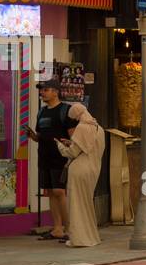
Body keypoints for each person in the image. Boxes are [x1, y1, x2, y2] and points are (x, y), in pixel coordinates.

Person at [25, 78, 75, 241]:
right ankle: (57, 229)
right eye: (41, 90)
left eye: (45, 90)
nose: (42, 93)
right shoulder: (41, 112)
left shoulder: (66, 110)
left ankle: (70, 229)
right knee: (51, 193)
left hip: (60, 157)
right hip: (44, 156)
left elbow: (73, 135)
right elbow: (41, 135)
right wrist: (34, 137)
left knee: (60, 192)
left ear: (55, 91)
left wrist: (72, 149)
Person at [55, 103, 104, 248]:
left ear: (76, 116)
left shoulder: (82, 128)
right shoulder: (99, 128)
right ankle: (91, 237)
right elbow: (89, 147)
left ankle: (79, 239)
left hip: (79, 170)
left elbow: (72, 153)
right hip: (93, 169)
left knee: (76, 205)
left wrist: (59, 145)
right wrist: (72, 142)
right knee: (87, 203)